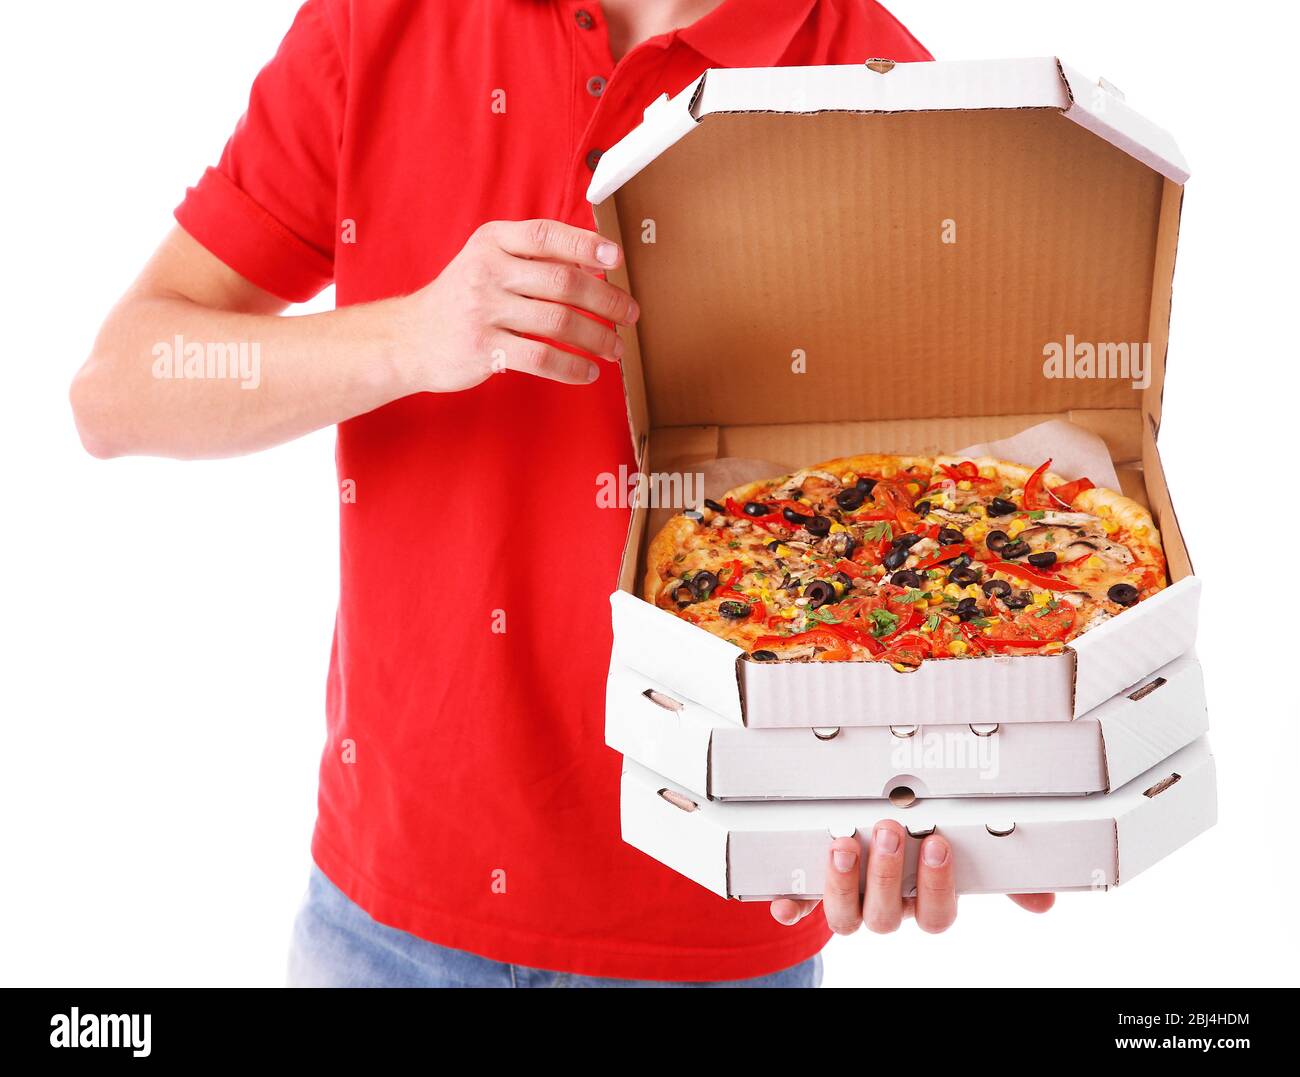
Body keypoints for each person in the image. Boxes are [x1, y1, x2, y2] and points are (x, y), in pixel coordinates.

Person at [69, 0, 1051, 989]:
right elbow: (117, 390)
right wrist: (411, 336)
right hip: (379, 926)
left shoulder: (881, 83)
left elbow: (937, 532)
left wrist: (926, 797)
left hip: (716, 927)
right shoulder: (375, 25)